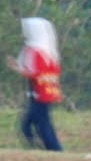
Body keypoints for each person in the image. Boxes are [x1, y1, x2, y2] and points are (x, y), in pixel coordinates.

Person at [7, 17, 63, 151]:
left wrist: (16, 68)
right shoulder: (49, 51)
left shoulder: (35, 51)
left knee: (35, 124)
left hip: (39, 93)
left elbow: (33, 73)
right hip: (47, 92)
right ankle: (48, 148)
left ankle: (53, 149)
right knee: (37, 122)